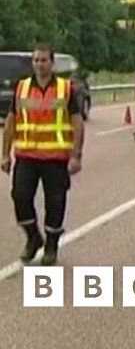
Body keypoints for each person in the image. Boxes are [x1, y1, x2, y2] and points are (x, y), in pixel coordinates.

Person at [1, 44, 85, 266]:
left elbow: (77, 122)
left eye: (44, 60)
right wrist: (5, 154)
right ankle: (33, 237)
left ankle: (51, 245)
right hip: (26, 155)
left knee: (55, 203)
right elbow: (11, 122)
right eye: (36, 60)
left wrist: (76, 155)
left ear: (52, 63)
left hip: (55, 158)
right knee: (20, 197)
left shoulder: (65, 89)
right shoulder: (22, 87)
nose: (40, 64)